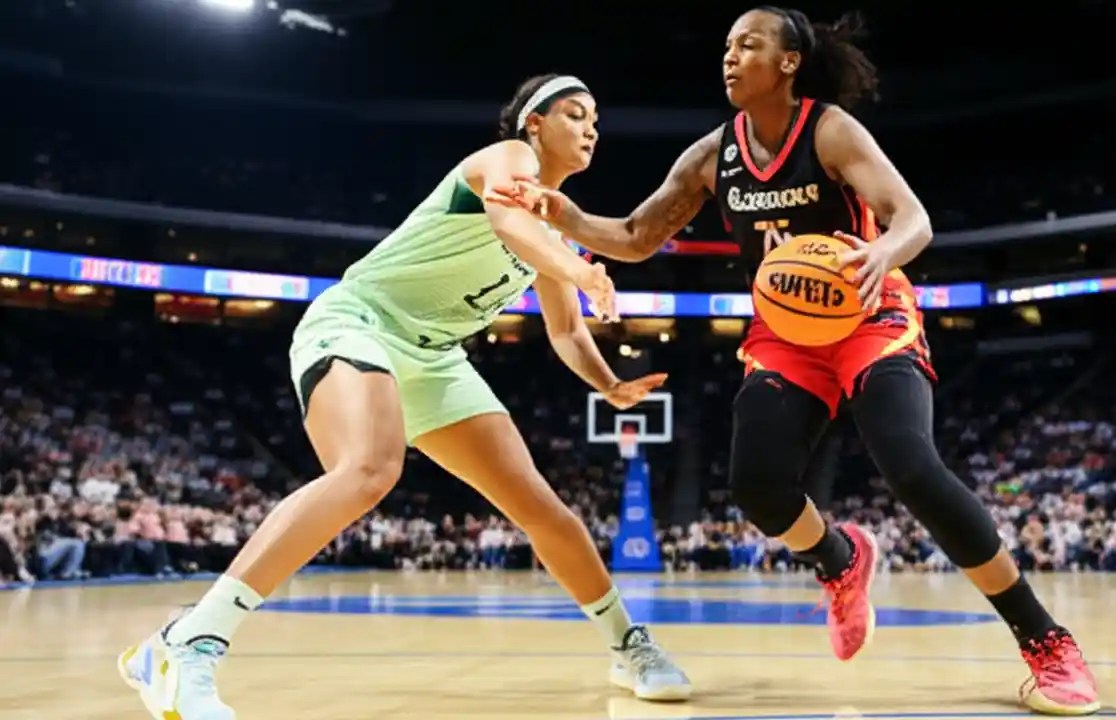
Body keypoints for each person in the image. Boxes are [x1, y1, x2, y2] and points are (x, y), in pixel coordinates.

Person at [491, 9, 1100, 716]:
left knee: (911, 466)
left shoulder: (829, 129)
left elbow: (913, 219)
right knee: (756, 489)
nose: (729, 56)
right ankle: (841, 561)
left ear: (786, 63)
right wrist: (558, 213)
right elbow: (633, 235)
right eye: (724, 45)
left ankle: (1045, 640)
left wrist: (882, 252)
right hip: (786, 330)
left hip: (872, 315)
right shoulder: (709, 156)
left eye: (747, 44)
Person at [117, 73, 693, 720]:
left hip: (433, 358)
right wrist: (583, 269)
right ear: (533, 122)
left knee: (544, 511)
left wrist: (609, 385)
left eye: (596, 119)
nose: (590, 127)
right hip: (359, 321)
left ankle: (628, 645)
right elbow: (510, 225)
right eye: (575, 114)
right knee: (368, 468)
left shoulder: (552, 234)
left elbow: (563, 329)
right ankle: (188, 641)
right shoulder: (509, 160)